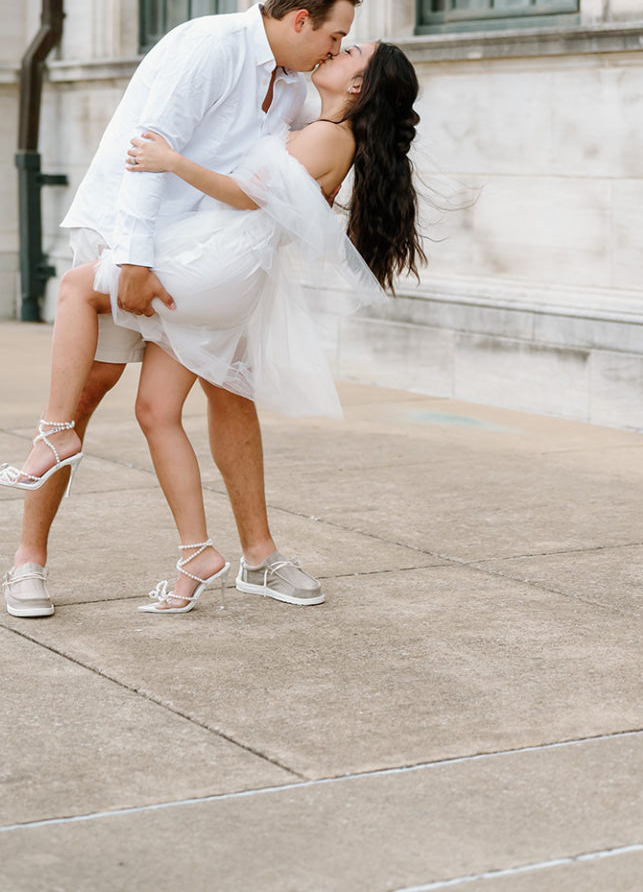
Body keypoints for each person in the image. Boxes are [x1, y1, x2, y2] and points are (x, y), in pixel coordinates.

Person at [0, 0, 361, 617]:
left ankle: (259, 558)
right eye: (334, 36)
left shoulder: (294, 82)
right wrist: (130, 259)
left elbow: (321, 139)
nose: (336, 49)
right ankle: (27, 563)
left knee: (229, 390)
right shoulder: (210, 47)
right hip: (133, 241)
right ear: (300, 21)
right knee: (85, 396)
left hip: (207, 256)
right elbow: (146, 147)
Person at [108, 38, 425, 612]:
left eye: (351, 49)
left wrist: (172, 162)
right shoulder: (311, 110)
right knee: (175, 405)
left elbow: (248, 196)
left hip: (220, 262)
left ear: (359, 86)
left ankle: (230, 552)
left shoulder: (329, 132)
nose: (339, 48)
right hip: (226, 260)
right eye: (338, 38)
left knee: (95, 307)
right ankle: (232, 556)